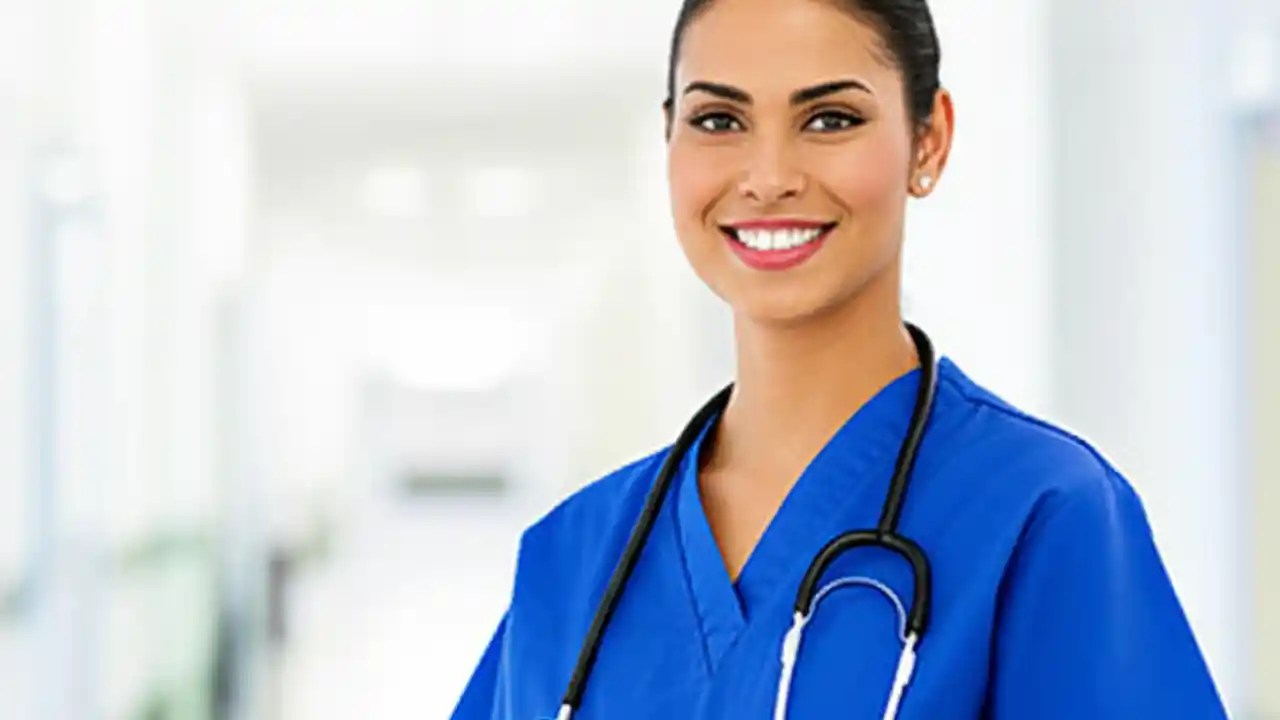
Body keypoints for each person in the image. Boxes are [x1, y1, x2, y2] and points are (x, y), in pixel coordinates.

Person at [452, 0, 1227, 717]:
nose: (769, 178)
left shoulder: (1042, 514)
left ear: (930, 140)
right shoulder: (574, 558)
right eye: (719, 120)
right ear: (670, 140)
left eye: (829, 118)